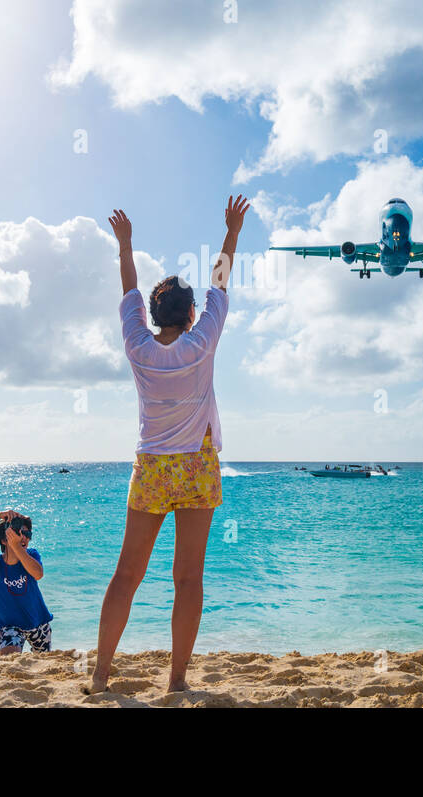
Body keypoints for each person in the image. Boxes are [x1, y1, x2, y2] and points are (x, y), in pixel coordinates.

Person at [89, 195, 250, 694]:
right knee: (188, 579)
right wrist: (231, 233)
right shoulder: (202, 342)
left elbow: (129, 289)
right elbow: (220, 279)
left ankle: (100, 674)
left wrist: (126, 245)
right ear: (192, 313)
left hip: (152, 468)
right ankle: (176, 680)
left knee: (126, 576)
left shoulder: (137, 346)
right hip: (196, 467)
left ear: (154, 314)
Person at [0, 510, 53, 653]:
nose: (24, 538)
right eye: (18, 533)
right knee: (10, 661)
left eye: (27, 534)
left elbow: (38, 574)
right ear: (4, 540)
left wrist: (16, 545)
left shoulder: (32, 555)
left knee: (43, 662)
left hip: (38, 623)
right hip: (10, 627)